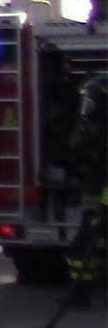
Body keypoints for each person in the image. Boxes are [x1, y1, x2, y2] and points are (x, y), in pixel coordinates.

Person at [66, 72, 108, 307]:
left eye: (90, 102)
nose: (86, 108)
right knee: (82, 246)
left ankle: (80, 292)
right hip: (96, 194)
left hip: (102, 196)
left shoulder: (98, 132)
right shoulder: (93, 129)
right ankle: (80, 292)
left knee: (84, 244)